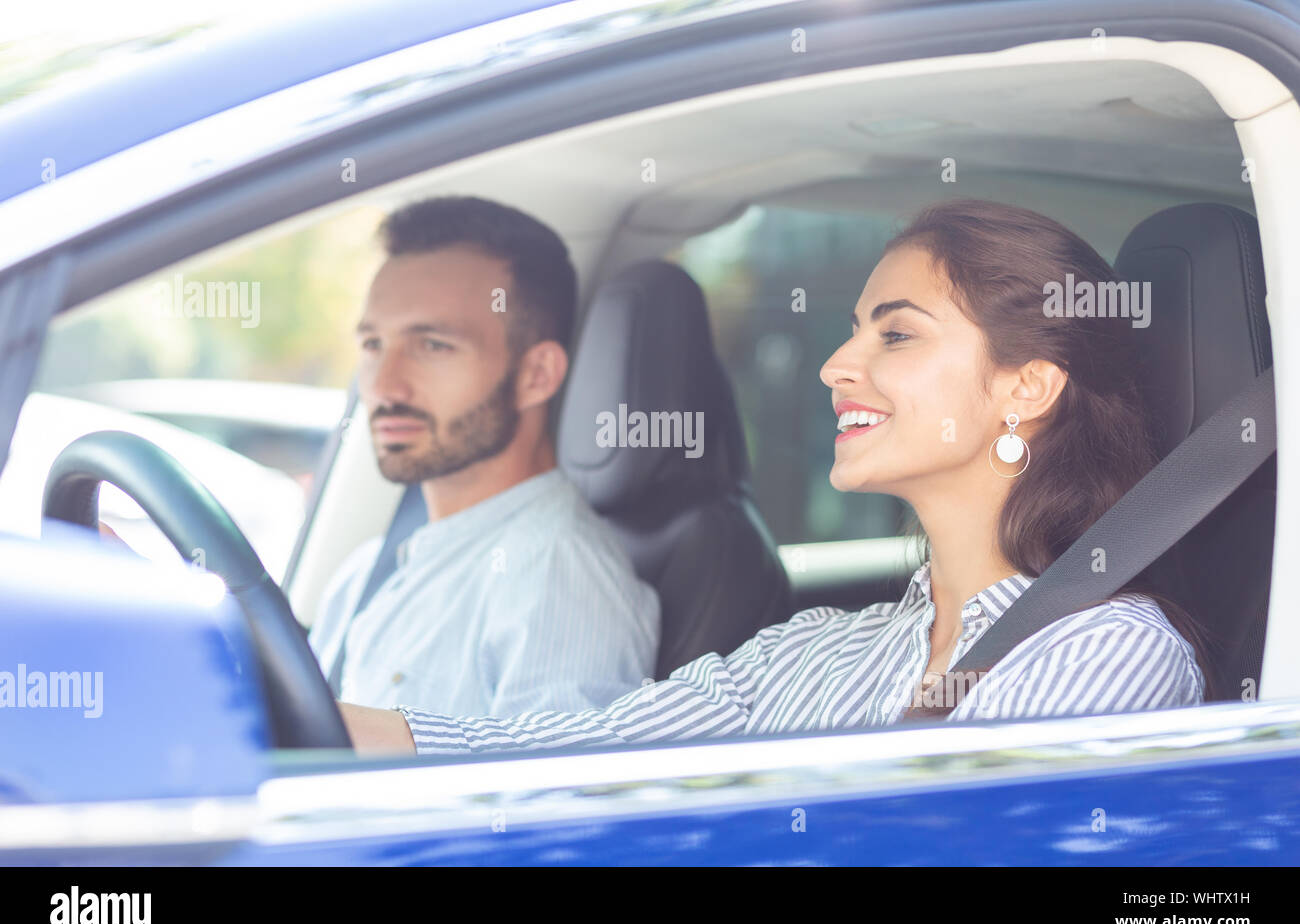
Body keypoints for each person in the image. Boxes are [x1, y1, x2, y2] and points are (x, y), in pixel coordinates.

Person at [338, 198, 1206, 755]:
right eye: (853, 331)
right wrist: (316, 729)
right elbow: (579, 754)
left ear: (1028, 387)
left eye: (895, 334)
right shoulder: (813, 650)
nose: (836, 365)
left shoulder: (1108, 652)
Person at [308, 196, 659, 716]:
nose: (383, 386)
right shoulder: (368, 570)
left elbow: (558, 770)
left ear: (537, 375)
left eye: (433, 345)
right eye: (373, 345)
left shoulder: (556, 578)